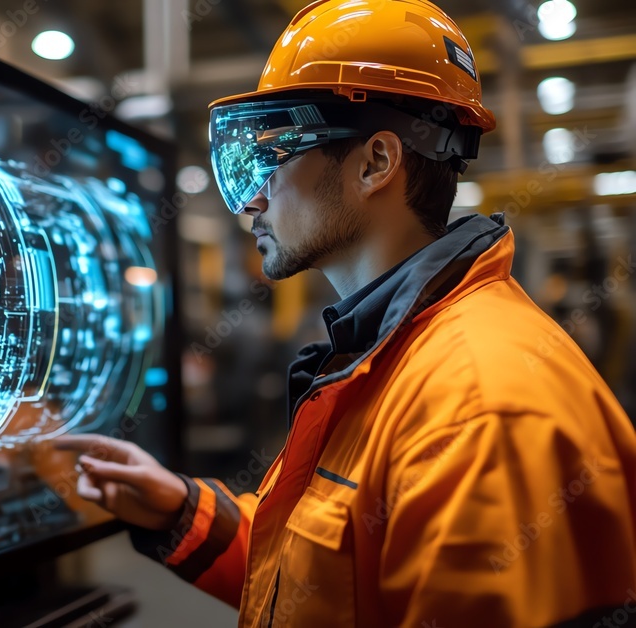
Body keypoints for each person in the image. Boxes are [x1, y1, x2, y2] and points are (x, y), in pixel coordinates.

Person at [56, 0, 636, 625]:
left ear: (375, 163)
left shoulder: (478, 411)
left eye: (277, 157)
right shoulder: (393, 356)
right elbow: (334, 580)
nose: (252, 199)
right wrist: (180, 512)